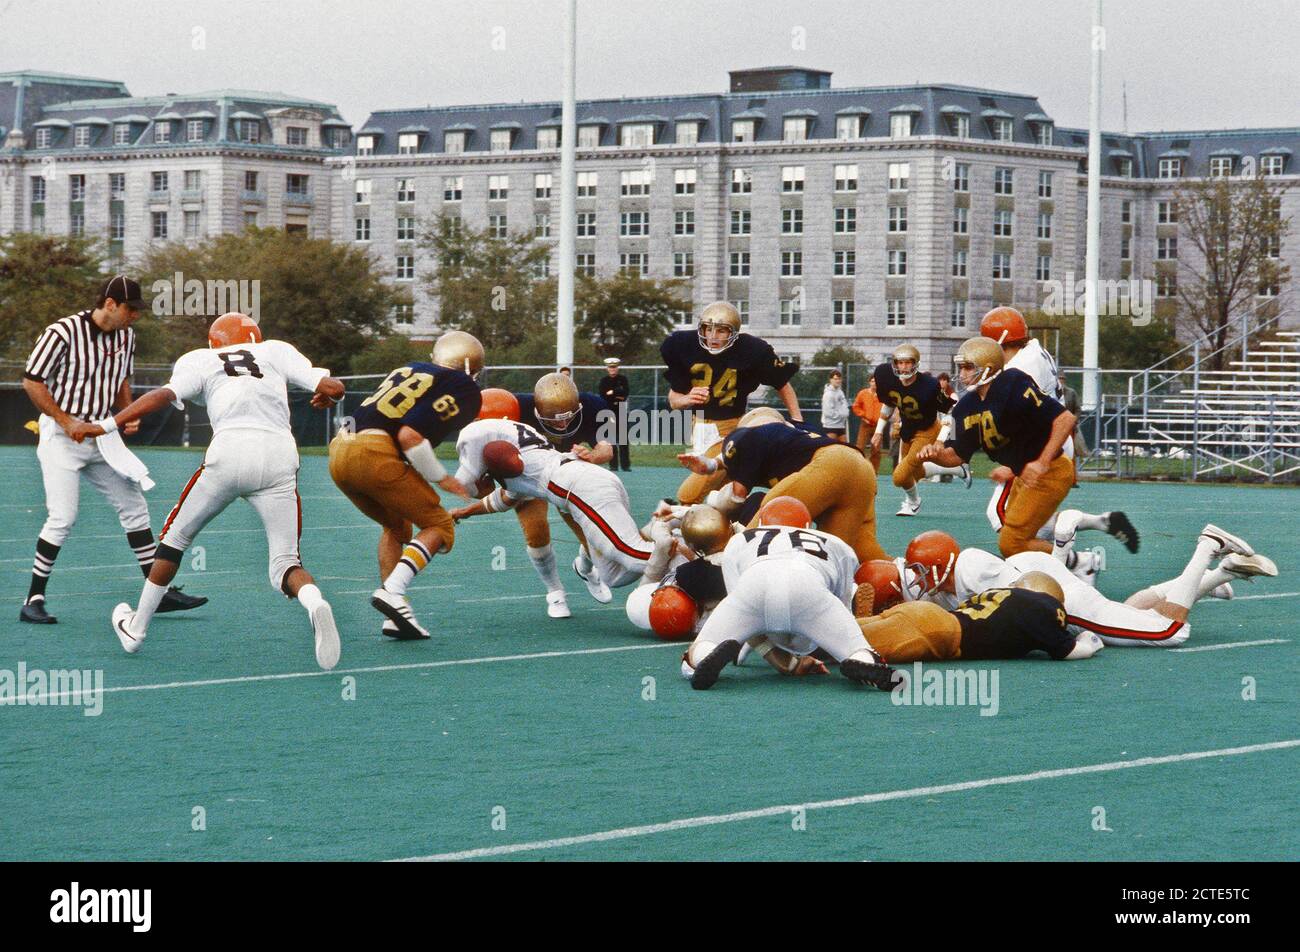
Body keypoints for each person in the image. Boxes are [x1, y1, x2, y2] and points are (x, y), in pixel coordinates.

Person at [71, 313, 346, 668]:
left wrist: (105, 425)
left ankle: (136, 629)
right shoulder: (276, 350)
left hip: (229, 452)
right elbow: (334, 388)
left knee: (174, 539)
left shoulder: (201, 358)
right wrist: (326, 397)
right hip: (279, 456)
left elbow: (162, 395)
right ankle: (314, 601)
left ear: (215, 342)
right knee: (285, 563)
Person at [19, 275, 206, 625]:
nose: (135, 315)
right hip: (63, 438)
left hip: (102, 435)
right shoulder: (62, 332)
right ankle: (33, 599)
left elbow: (121, 377)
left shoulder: (126, 336)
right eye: (130, 309)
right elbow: (32, 381)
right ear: (109, 304)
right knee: (63, 517)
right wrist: (65, 421)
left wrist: (126, 412)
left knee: (134, 506)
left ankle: (158, 593)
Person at [327, 331, 483, 640]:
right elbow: (410, 436)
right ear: (470, 366)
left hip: (340, 451)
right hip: (374, 452)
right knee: (438, 524)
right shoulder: (464, 386)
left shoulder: (410, 368)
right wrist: (442, 478)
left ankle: (395, 616)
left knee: (397, 528)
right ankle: (393, 591)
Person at [894, 525, 1277, 649]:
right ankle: (1223, 573)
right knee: (1130, 610)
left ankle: (1208, 546)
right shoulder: (949, 579)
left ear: (941, 563)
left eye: (920, 570)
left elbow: (1020, 604)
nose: (916, 578)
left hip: (1048, 590)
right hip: (1040, 575)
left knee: (1166, 632)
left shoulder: (972, 568)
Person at [681, 496, 896, 690]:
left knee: (700, 648)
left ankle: (703, 656)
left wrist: (768, 649)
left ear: (763, 524)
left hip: (756, 584)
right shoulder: (837, 545)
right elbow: (841, 601)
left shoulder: (740, 540)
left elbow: (736, 596)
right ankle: (864, 660)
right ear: (807, 526)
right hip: (807, 585)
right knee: (855, 648)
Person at [448, 421, 655, 600]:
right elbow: (499, 501)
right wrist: (463, 512)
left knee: (633, 557)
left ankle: (683, 562)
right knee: (613, 576)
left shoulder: (511, 466)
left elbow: (472, 486)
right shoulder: (524, 459)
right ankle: (660, 530)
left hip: (580, 488)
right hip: (587, 481)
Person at [918, 337, 1075, 557]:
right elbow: (957, 456)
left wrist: (1041, 462)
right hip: (1022, 475)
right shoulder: (966, 405)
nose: (962, 374)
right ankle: (1061, 544)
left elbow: (1065, 419)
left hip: (1050, 471)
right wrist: (935, 455)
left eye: (968, 367)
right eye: (960, 367)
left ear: (989, 367)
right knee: (1011, 530)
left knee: (1013, 543)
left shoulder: (1013, 383)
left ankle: (1079, 562)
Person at [677, 417, 889, 563]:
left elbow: (736, 497)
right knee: (844, 555)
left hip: (831, 466)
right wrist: (711, 466)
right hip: (861, 471)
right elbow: (726, 460)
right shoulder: (785, 436)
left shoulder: (744, 436)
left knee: (749, 540)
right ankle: (907, 579)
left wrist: (690, 513)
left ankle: (719, 581)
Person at [661, 301, 801, 504]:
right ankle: (729, 530)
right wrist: (687, 399)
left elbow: (783, 384)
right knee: (722, 494)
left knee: (690, 495)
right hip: (698, 427)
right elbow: (674, 401)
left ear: (733, 333)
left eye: (721, 330)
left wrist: (797, 419)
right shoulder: (684, 346)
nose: (712, 336)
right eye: (708, 329)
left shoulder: (751, 349)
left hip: (731, 428)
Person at [870, 344, 969, 517]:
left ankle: (913, 503)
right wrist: (879, 431)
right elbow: (889, 404)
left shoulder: (929, 385)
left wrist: (939, 440)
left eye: (908, 363)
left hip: (928, 429)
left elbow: (949, 414)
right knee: (915, 472)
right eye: (899, 363)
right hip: (908, 430)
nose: (903, 367)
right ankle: (958, 470)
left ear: (915, 363)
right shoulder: (889, 378)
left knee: (899, 476)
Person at [597, 356, 632, 470]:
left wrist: (612, 392)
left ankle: (625, 466)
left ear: (618, 368)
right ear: (607, 368)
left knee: (623, 440)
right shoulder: (604, 381)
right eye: (610, 368)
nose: (612, 369)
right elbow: (603, 395)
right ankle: (613, 465)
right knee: (611, 439)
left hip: (621, 409)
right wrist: (617, 393)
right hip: (609, 411)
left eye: (614, 367)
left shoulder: (623, 379)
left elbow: (625, 394)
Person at [851, 377, 884, 468]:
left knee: (876, 451)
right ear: (869, 382)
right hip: (865, 424)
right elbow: (856, 407)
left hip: (878, 426)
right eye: (872, 381)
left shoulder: (882, 394)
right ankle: (858, 470)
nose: (874, 383)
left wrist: (882, 419)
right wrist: (863, 415)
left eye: (876, 382)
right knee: (860, 448)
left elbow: (887, 408)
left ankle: (873, 472)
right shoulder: (863, 393)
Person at [820, 370, 849, 442]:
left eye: (839, 379)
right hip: (830, 426)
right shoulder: (828, 394)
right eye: (835, 379)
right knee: (831, 450)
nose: (838, 381)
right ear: (831, 380)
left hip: (841, 425)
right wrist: (842, 415)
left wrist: (846, 413)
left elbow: (845, 406)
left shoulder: (840, 392)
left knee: (844, 448)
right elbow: (828, 413)